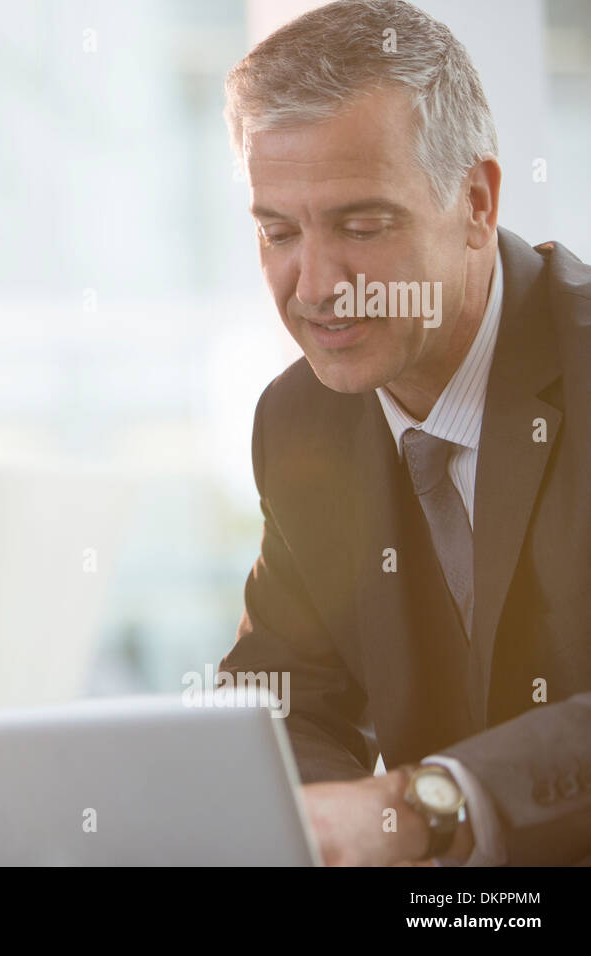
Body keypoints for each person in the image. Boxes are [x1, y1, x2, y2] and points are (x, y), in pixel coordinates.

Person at [219, 0, 591, 866]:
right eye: (278, 232)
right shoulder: (299, 416)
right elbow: (284, 696)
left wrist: (421, 807)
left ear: (475, 202)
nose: (314, 286)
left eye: (361, 226)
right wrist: (318, 826)